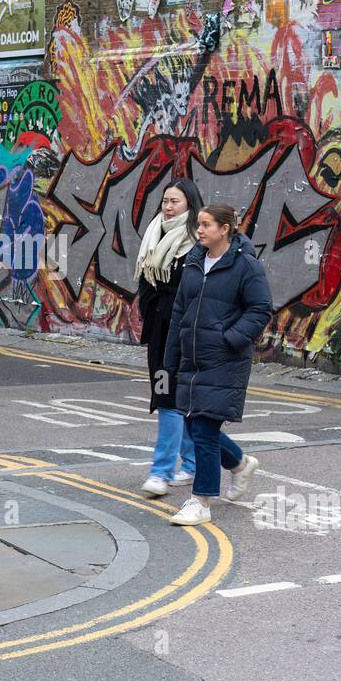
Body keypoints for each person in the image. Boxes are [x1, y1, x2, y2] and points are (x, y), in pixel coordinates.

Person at [163, 204, 272, 526]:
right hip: (192, 359)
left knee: (205, 428)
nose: (200, 230)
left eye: (207, 224)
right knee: (192, 425)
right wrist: (170, 359)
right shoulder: (194, 262)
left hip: (224, 359)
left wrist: (231, 339)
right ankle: (239, 463)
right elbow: (179, 313)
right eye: (199, 224)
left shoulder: (246, 266)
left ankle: (201, 502)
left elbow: (261, 309)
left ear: (225, 229)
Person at [135, 179, 203, 498]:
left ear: (190, 203)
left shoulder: (196, 242)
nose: (168, 206)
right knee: (177, 399)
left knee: (168, 399)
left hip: (186, 335)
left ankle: (160, 472)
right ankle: (194, 464)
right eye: (165, 200)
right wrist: (152, 309)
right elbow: (146, 281)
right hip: (161, 332)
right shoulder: (154, 233)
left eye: (175, 201)